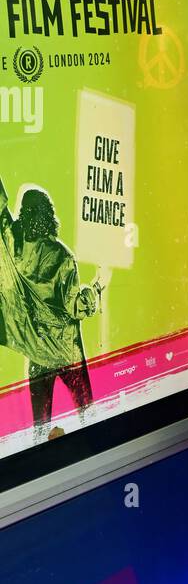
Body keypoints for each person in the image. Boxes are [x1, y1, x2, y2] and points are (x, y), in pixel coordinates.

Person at [0, 174, 98, 440]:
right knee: (91, 416)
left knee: (39, 430)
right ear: (49, 214)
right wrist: (92, 294)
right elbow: (74, 307)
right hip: (68, 355)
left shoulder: (13, 246)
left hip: (37, 356)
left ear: (24, 214)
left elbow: (0, 212)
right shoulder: (62, 255)